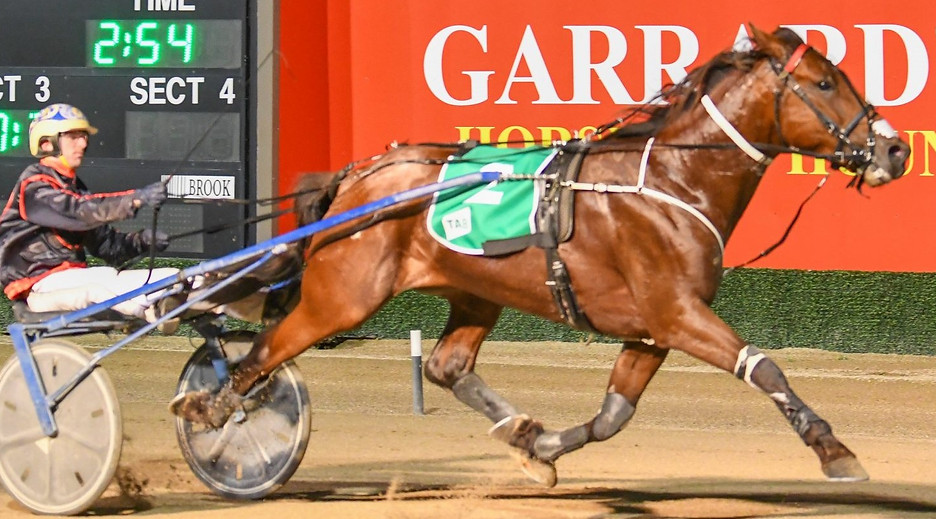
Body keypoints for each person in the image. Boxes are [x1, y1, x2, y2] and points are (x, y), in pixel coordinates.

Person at [0, 103, 180, 329]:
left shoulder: (76, 189)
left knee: (177, 277)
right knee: (108, 287)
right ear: (47, 142)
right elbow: (78, 212)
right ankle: (150, 313)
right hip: (40, 285)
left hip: (76, 279)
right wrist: (135, 198)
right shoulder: (33, 185)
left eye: (84, 136)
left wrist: (141, 241)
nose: (83, 144)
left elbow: (107, 246)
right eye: (74, 136)